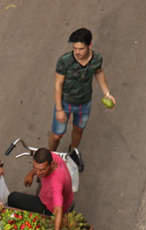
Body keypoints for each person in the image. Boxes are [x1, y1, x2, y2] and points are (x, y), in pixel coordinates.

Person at [48, 28, 115, 172]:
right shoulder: (65, 61)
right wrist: (59, 109)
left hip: (84, 103)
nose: (77, 52)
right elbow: (58, 84)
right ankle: (50, 157)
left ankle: (73, 152)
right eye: (75, 48)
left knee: (78, 130)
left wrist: (107, 93)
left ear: (89, 46)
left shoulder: (96, 58)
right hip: (65, 103)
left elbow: (98, 72)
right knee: (56, 135)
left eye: (81, 48)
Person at [7, 147, 73, 230]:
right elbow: (38, 168)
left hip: (49, 208)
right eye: (36, 168)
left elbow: (58, 209)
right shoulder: (52, 156)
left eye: (42, 170)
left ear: (51, 165)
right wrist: (30, 174)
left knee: (13, 198)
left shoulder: (56, 182)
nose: (38, 173)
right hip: (53, 197)